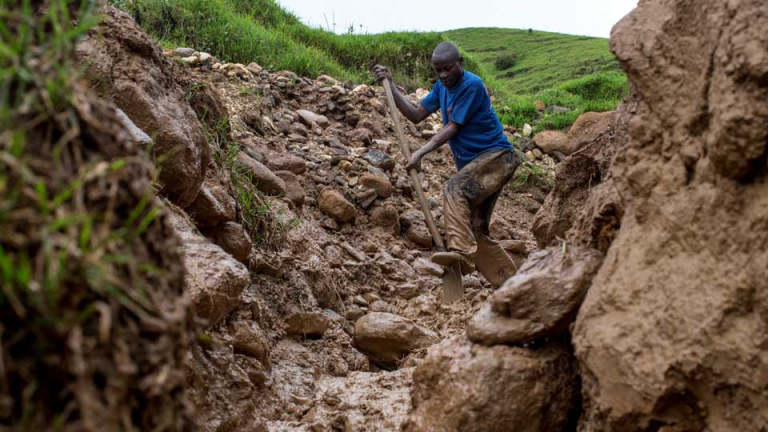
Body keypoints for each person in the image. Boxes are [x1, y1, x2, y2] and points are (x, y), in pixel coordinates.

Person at [374, 42, 521, 287]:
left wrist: (420, 152)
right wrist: (390, 84)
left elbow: (453, 127)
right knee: (475, 228)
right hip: (476, 164)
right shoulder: (441, 88)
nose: (443, 75)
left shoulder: (471, 85)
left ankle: (461, 255)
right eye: (438, 70)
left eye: (448, 69)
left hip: (497, 157)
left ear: (460, 64)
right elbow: (416, 114)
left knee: (455, 189)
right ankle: (513, 286)